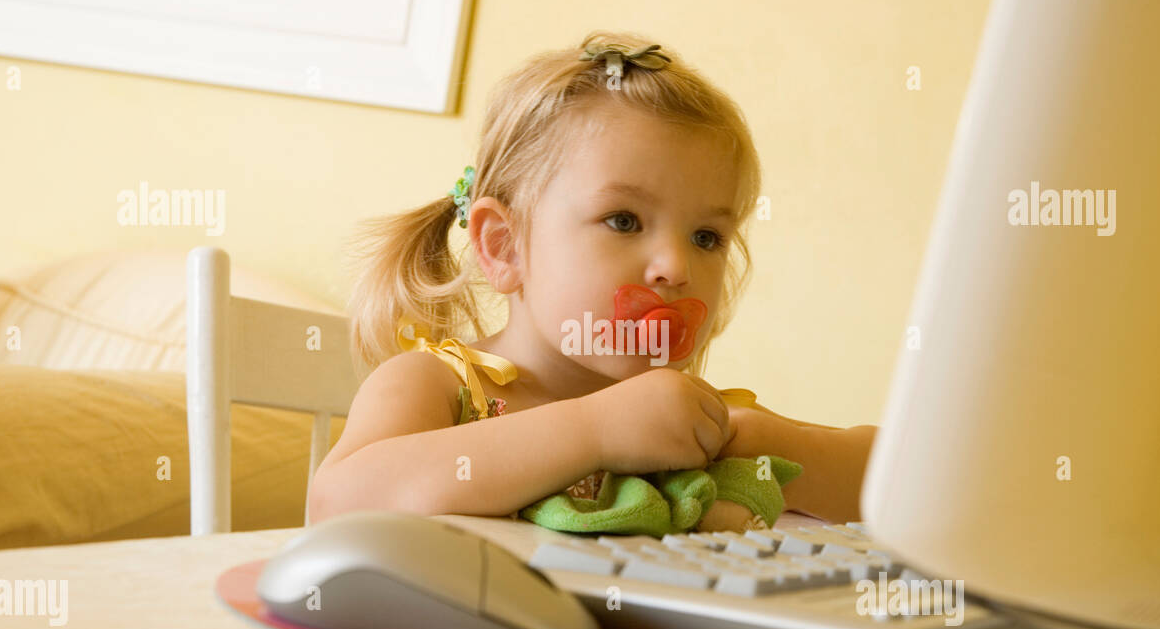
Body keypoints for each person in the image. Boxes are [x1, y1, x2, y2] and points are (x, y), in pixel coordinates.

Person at [309, 31, 876, 526]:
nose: (676, 268)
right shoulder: (438, 387)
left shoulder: (697, 424)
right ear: (504, 246)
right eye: (624, 221)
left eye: (707, 237)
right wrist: (593, 431)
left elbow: (901, 485)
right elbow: (337, 504)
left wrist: (757, 438)